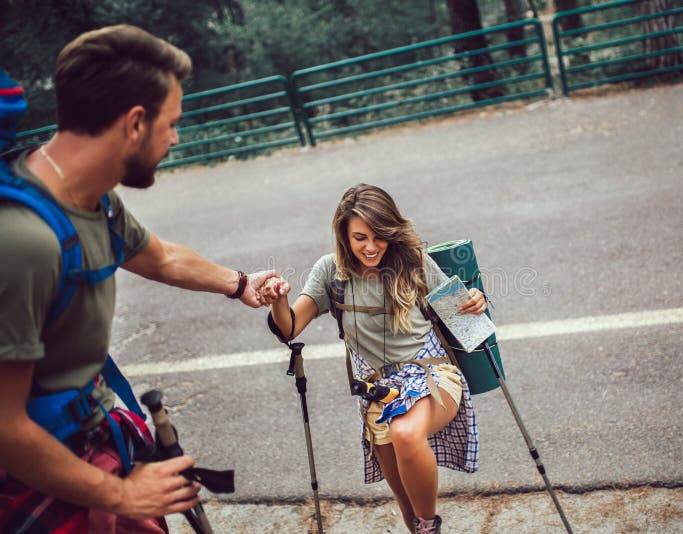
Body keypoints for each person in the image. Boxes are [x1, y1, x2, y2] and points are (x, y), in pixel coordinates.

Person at [0, 25, 279, 532]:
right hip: (35, 470)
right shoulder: (24, 243)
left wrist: (240, 285)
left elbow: (161, 256)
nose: (175, 137)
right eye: (171, 123)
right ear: (134, 123)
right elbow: (5, 429)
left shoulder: (95, 199)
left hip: (88, 431)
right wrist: (121, 493)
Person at [264, 183, 484, 534]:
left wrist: (474, 300)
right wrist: (277, 299)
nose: (370, 246)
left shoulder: (412, 261)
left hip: (431, 374)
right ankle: (420, 525)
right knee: (405, 501)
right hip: (377, 393)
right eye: (360, 237)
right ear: (344, 235)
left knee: (406, 433)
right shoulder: (330, 272)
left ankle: (430, 527)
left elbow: (464, 319)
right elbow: (289, 327)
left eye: (379, 236)